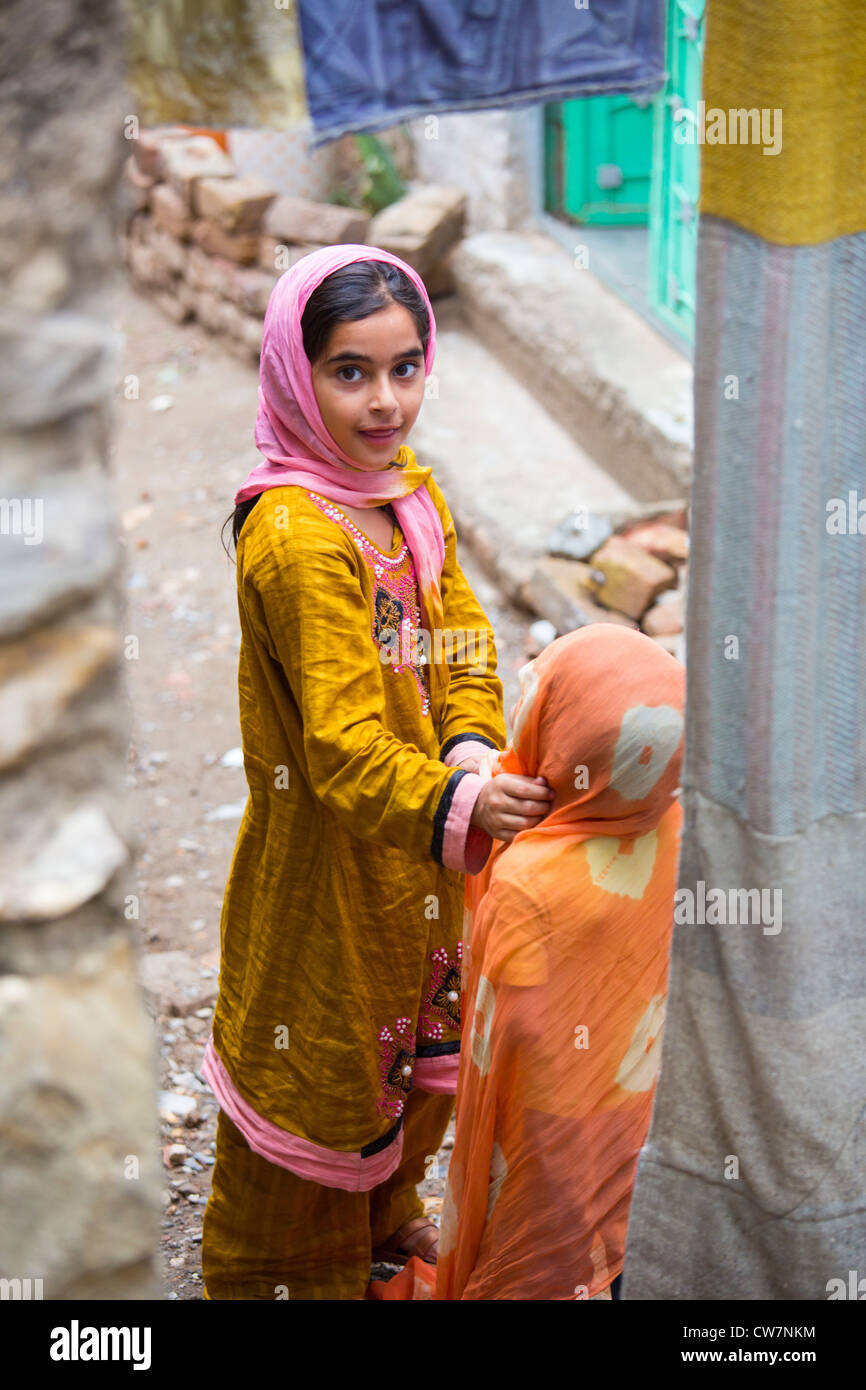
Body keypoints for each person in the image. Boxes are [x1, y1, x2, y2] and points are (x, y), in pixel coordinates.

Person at [199, 243, 555, 1300]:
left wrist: (469, 745)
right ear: (293, 373)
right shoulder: (296, 538)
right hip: (329, 879)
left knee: (407, 1064)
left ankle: (375, 1227)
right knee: (315, 1078)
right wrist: (465, 800)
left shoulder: (404, 495)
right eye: (349, 372)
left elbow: (463, 640)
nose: (385, 401)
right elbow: (343, 751)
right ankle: (280, 1276)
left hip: (419, 862)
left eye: (405, 368)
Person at [371, 623, 685, 1301]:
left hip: (545, 1116)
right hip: (633, 1106)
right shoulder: (669, 826)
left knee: (541, 1225)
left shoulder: (529, 878)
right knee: (613, 1217)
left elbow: (506, 1033)